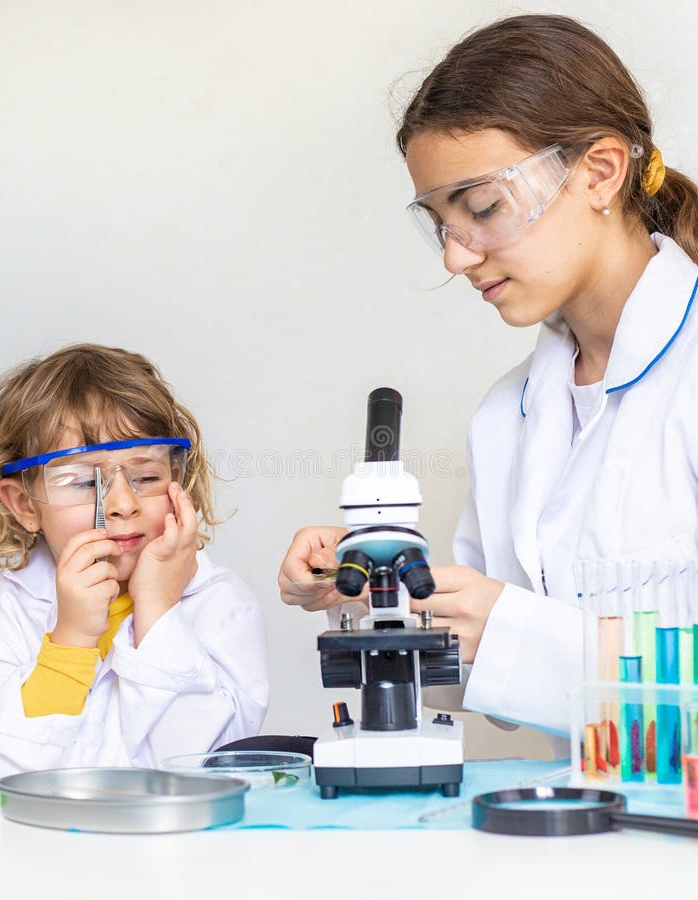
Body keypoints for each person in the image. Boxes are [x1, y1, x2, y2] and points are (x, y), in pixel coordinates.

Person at [278, 13, 698, 751]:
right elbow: (485, 675)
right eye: (441, 223)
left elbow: (519, 642)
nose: (455, 257)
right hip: (600, 807)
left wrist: (515, 631)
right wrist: (374, 599)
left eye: (481, 208)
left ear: (600, 171)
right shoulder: (508, 415)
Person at [0, 343, 269, 777]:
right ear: (25, 504)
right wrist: (70, 640)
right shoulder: (2, 611)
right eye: (86, 483)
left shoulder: (220, 602)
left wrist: (157, 611)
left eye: (146, 477)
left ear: (176, 479)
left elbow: (204, 765)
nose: (122, 504)